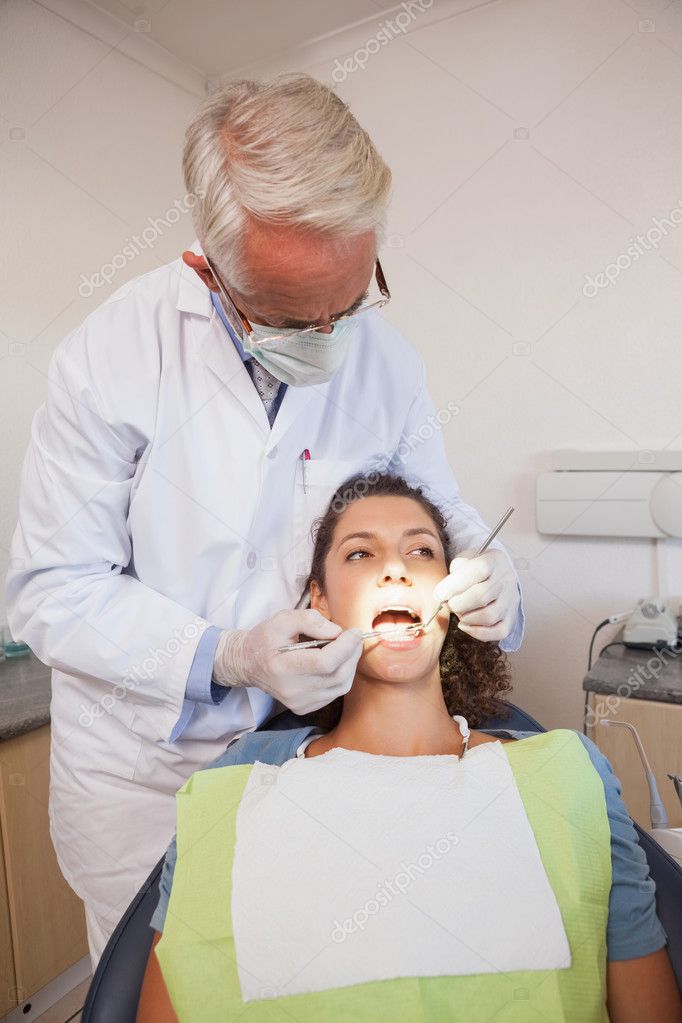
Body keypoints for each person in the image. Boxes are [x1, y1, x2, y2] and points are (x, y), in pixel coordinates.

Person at [4, 74, 524, 967]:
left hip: (312, 755)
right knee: (157, 980)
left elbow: (443, 516)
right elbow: (52, 589)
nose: (329, 334)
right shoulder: (112, 357)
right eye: (292, 318)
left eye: (349, 303)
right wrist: (225, 654)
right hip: (144, 775)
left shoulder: (387, 364)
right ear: (209, 266)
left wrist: (493, 573)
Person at [136, 473, 680, 1023]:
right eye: (359, 554)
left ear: (458, 593)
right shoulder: (231, 786)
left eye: (421, 551)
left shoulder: (569, 773)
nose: (394, 568)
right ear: (318, 602)